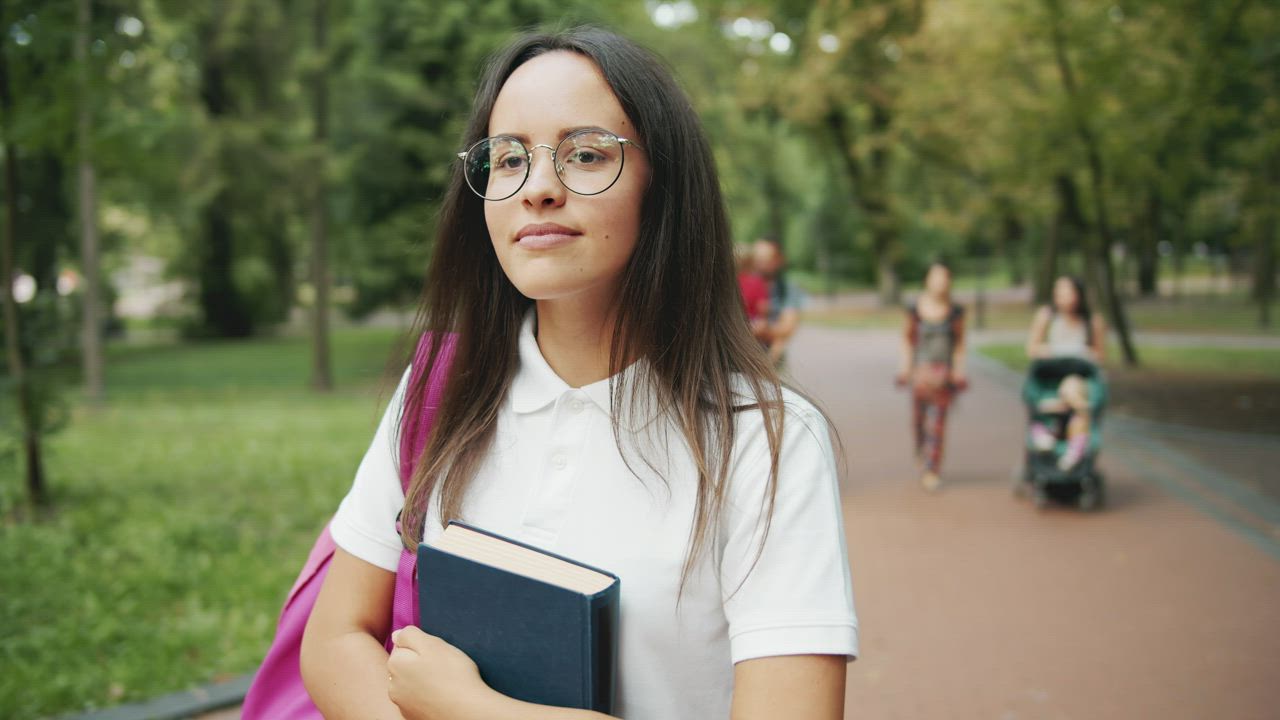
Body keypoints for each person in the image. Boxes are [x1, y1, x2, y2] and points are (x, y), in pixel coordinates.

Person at [299, 27, 857, 720]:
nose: (537, 189)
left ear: (666, 186)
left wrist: (474, 712)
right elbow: (334, 639)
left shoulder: (765, 442)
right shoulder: (440, 391)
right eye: (508, 160)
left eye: (586, 154)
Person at [895, 261, 967, 492]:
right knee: (919, 421)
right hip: (920, 374)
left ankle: (931, 468)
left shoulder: (955, 312)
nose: (940, 283)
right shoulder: (915, 309)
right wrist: (905, 368)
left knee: (937, 424)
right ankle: (920, 450)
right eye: (936, 277)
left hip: (943, 375)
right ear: (927, 280)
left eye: (944, 278)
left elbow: (959, 344)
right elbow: (907, 340)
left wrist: (957, 370)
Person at [1025, 275, 1106, 469]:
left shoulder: (1091, 321)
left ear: (1078, 294)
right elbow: (1032, 348)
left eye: (1066, 290)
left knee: (1072, 387)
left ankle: (1060, 438)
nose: (1061, 295)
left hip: (1079, 379)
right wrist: (1051, 350)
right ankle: (1065, 439)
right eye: (1058, 290)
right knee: (1062, 400)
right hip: (1051, 378)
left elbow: (1100, 355)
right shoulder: (1047, 316)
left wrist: (1082, 353)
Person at [750, 238, 805, 366]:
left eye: (767, 257)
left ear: (779, 259)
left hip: (771, 357)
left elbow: (787, 328)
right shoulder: (741, 284)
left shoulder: (787, 289)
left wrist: (765, 330)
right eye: (758, 257)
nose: (761, 262)